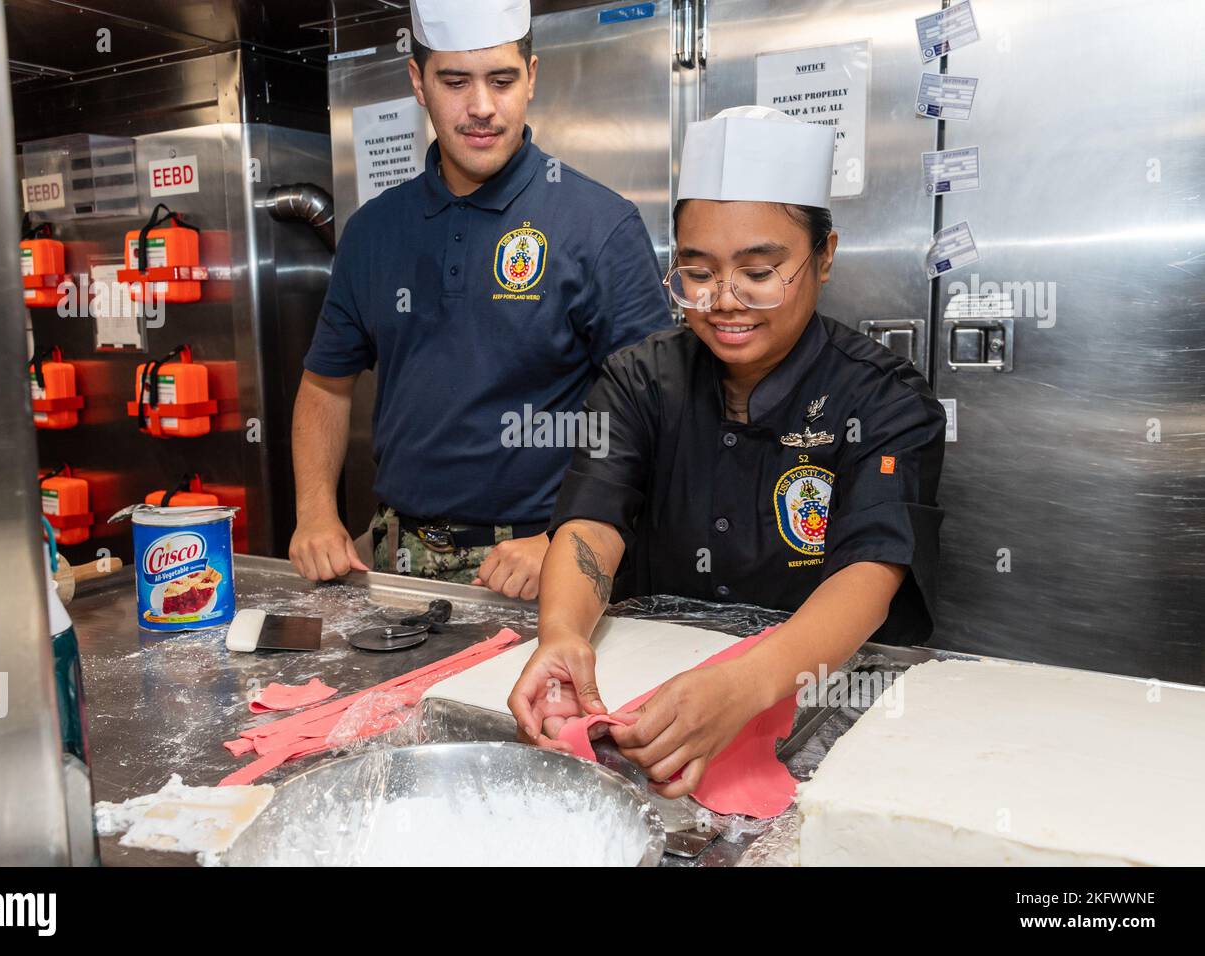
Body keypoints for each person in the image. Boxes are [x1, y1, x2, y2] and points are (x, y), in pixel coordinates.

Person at [508, 106, 947, 798]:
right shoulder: (639, 379)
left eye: (759, 272)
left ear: (824, 256)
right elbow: (593, 520)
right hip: (659, 680)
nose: (724, 303)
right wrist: (561, 633)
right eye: (697, 272)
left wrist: (742, 686)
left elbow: (871, 570)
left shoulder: (884, 399)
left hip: (832, 702)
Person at [290, 0, 671, 598]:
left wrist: (568, 541)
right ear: (418, 82)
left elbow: (655, 413)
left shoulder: (598, 225)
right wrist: (315, 511)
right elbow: (325, 384)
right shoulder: (372, 231)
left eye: (502, 79)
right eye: (454, 81)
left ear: (533, 77)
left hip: (536, 566)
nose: (482, 108)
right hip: (394, 565)